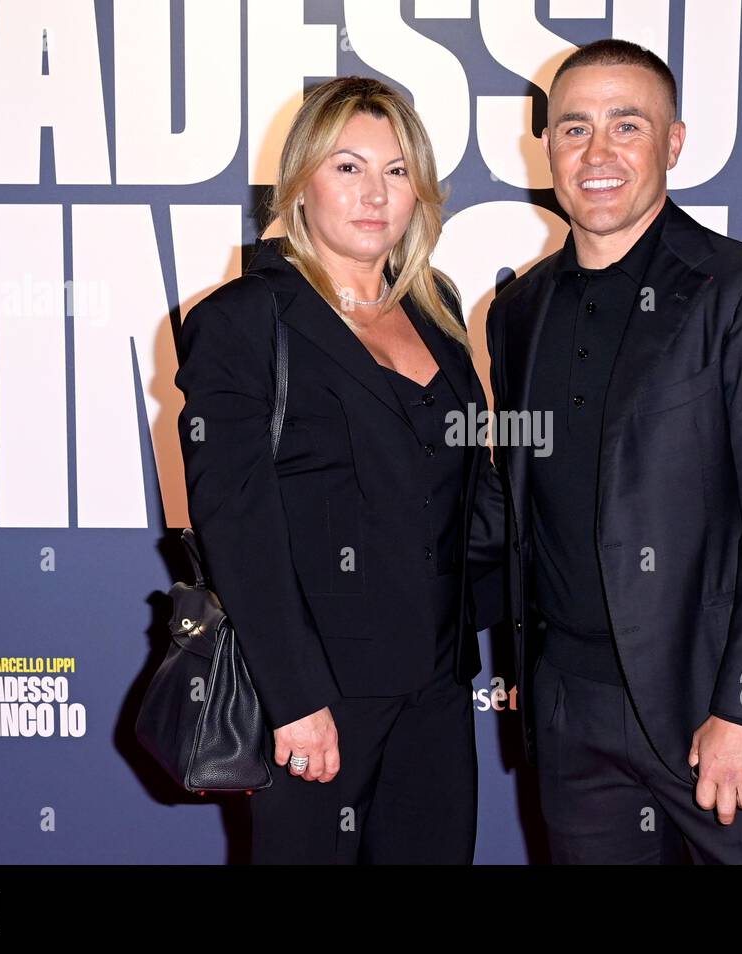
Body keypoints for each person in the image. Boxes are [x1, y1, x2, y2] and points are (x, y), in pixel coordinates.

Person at [485, 39, 742, 864]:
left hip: (710, 710)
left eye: (625, 125)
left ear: (673, 144)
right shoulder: (518, 309)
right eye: (573, 129)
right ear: (546, 148)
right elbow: (514, 502)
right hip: (569, 714)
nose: (597, 153)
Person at [175, 76, 505, 864]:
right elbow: (235, 522)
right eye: (348, 168)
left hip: (436, 686)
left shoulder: (437, 305)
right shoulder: (244, 319)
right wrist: (295, 700)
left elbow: (465, 493)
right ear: (301, 182)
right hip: (319, 696)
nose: (375, 194)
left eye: (396, 171)